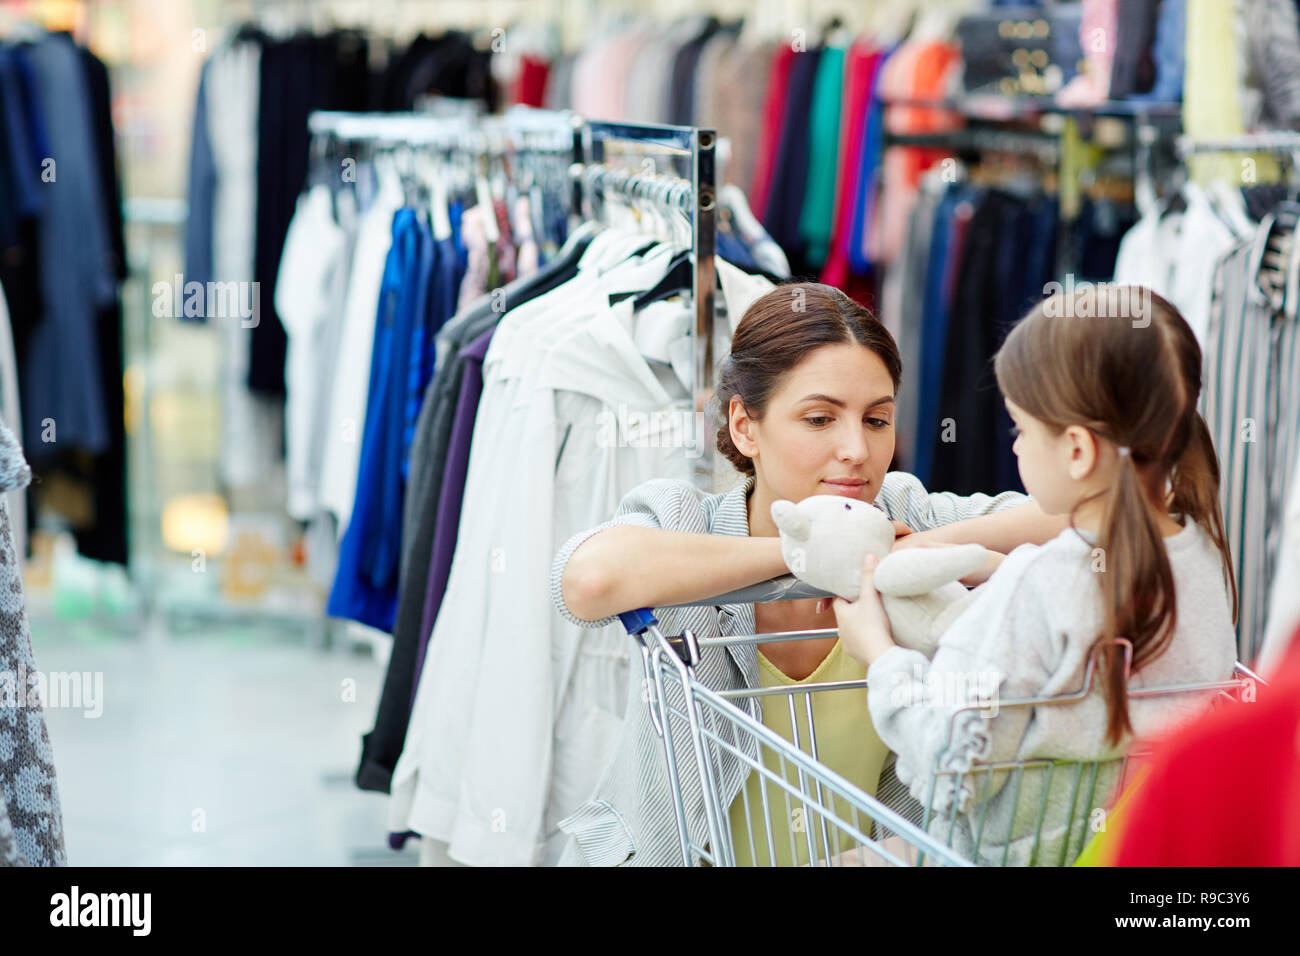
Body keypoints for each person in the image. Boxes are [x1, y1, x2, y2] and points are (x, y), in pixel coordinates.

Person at [551, 282, 1063, 866]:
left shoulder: (903, 512)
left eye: (876, 420)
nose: (856, 450)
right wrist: (807, 555)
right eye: (820, 418)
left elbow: (1093, 513)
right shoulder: (684, 519)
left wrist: (923, 544)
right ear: (745, 426)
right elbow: (587, 581)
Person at [832, 286, 1240, 866]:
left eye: (1021, 428)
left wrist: (878, 652)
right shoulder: (1200, 554)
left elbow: (949, 766)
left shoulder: (1040, 584)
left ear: (1076, 450)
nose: (1017, 447)